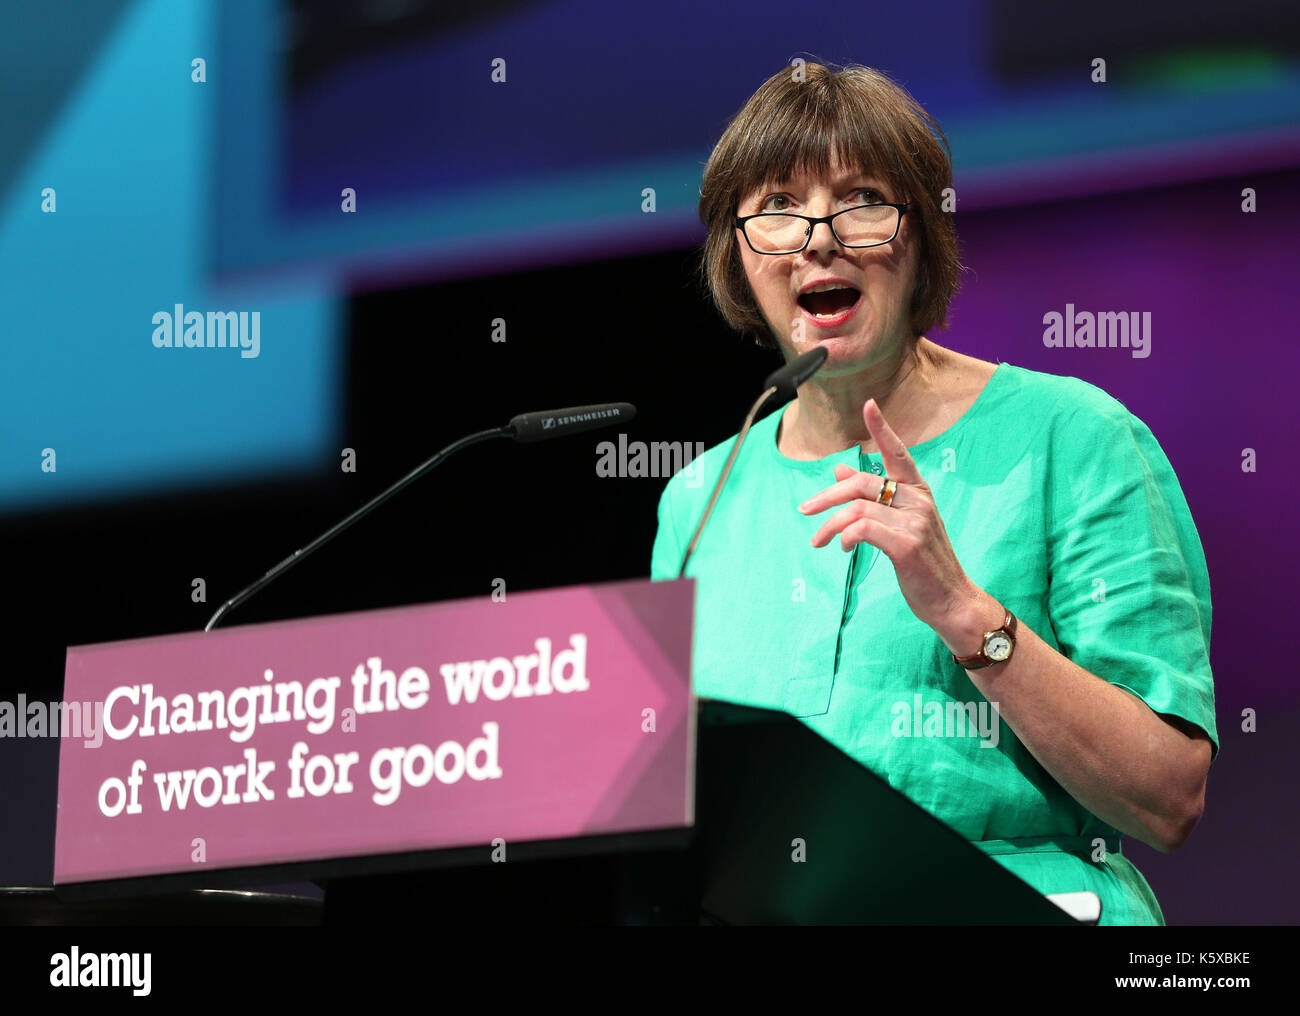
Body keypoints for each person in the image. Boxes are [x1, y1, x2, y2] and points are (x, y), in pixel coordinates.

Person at [650, 61, 1217, 925]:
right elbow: (670, 815)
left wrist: (963, 613)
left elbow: (1166, 796)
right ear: (738, 253)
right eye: (775, 207)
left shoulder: (1072, 436)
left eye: (863, 199)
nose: (816, 238)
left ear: (923, 237)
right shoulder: (698, 498)